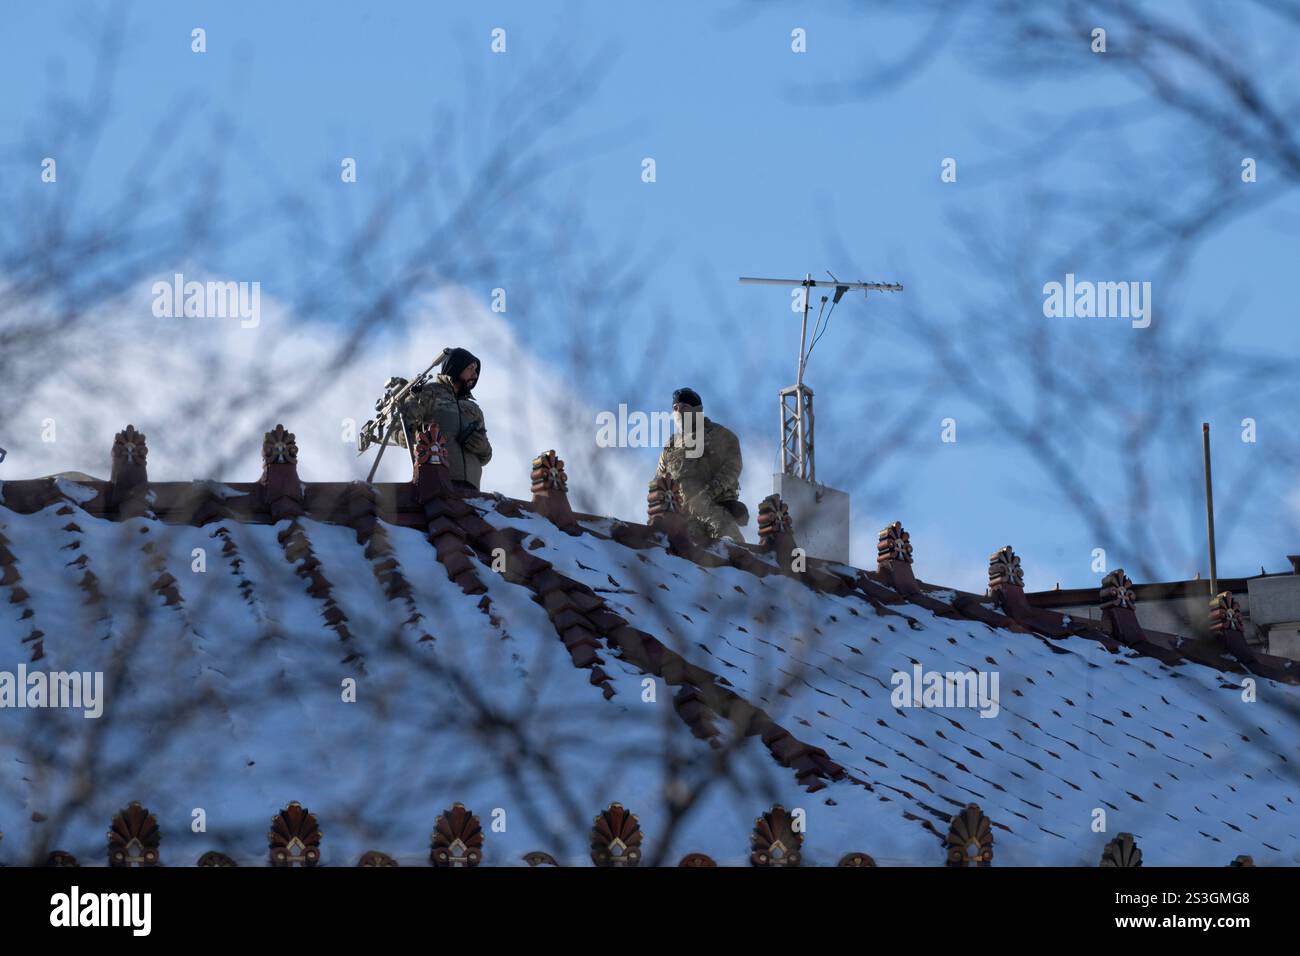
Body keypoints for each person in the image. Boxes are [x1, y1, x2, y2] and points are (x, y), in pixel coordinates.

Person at [655, 387, 746, 542]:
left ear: (697, 410)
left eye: (684, 407)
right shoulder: (671, 445)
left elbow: (733, 466)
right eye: (675, 408)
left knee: (732, 546)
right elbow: (660, 481)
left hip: (715, 506)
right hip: (684, 515)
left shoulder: (720, 435)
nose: (678, 412)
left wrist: (707, 494)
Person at [402, 347, 492, 491]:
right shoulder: (428, 393)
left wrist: (482, 446)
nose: (475, 375)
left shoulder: (474, 409)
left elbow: (486, 457)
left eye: (476, 371)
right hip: (436, 483)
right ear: (455, 367)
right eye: (470, 368)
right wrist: (425, 440)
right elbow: (402, 432)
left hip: (471, 491)